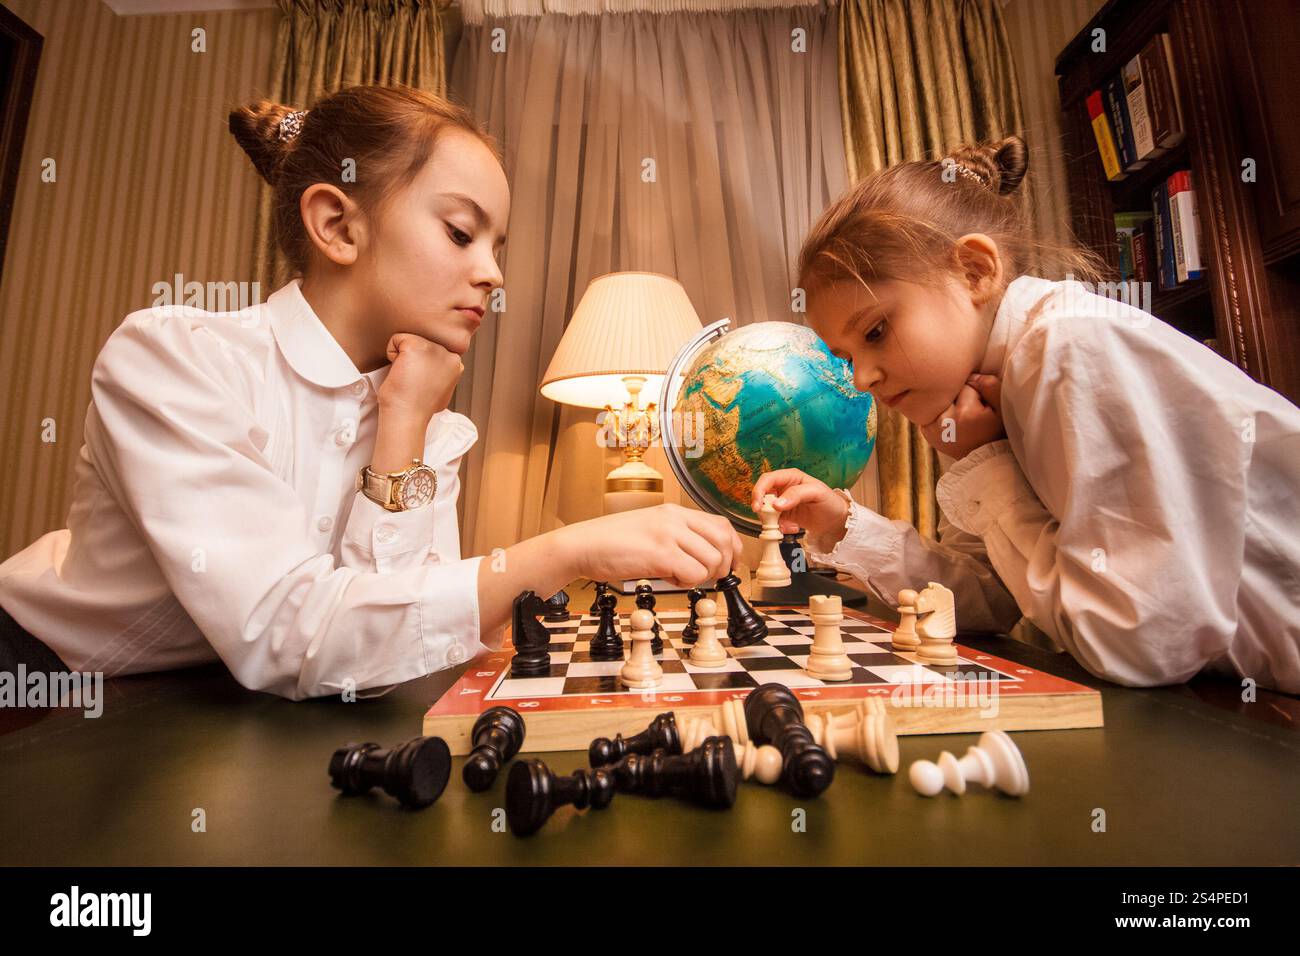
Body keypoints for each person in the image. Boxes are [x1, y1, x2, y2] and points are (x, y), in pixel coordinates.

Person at [0, 85, 741, 700]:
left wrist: (405, 420)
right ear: (335, 225)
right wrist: (568, 550)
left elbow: (371, 661)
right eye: (461, 233)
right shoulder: (175, 360)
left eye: (496, 246)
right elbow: (288, 636)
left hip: (218, 706)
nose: (493, 274)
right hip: (47, 687)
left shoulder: (420, 404)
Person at [754, 136, 1300, 693]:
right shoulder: (974, 398)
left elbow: (1143, 642)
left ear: (973, 271)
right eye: (845, 358)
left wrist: (985, 465)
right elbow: (990, 598)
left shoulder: (1067, 347)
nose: (861, 378)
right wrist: (842, 523)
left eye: (875, 331)